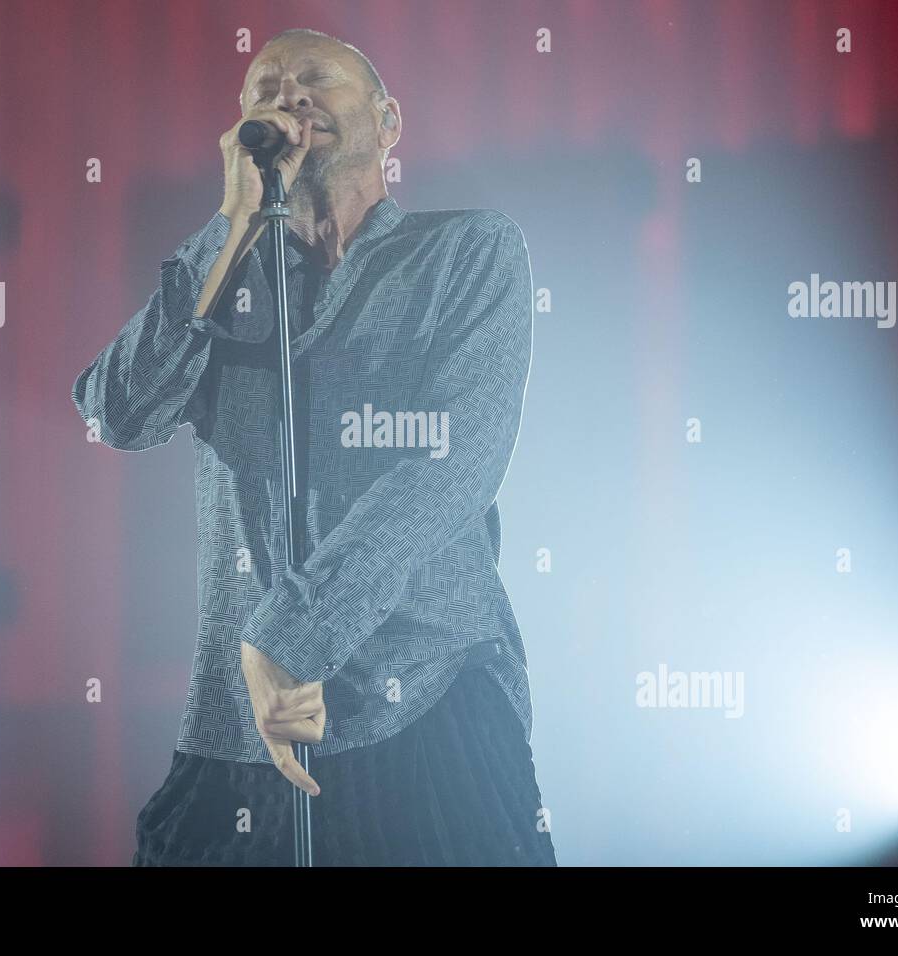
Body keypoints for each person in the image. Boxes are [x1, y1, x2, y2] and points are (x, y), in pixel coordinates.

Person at [72, 27, 556, 866]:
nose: (287, 98)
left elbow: (453, 466)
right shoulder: (227, 281)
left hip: (423, 690)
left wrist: (293, 632)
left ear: (389, 120)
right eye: (265, 90)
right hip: (244, 726)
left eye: (314, 81)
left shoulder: (464, 251)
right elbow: (117, 413)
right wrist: (229, 229)